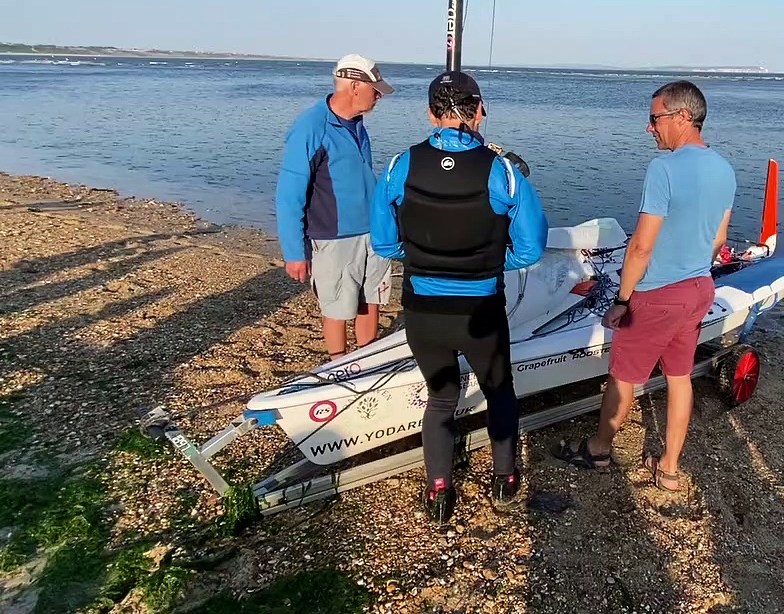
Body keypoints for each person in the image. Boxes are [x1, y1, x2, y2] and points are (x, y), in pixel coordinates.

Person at [370, 70, 548, 524]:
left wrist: (430, 261)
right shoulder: (503, 171)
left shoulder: (398, 166)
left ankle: (439, 491)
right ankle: (505, 482)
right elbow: (530, 249)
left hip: (424, 311)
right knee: (498, 390)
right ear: (480, 110)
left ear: (430, 113)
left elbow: (385, 244)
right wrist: (484, 263)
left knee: (442, 397)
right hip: (480, 310)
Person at [556, 80, 735, 492]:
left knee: (623, 378)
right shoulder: (724, 169)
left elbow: (640, 246)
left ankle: (599, 449)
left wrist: (622, 299)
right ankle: (669, 469)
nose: (649, 128)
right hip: (698, 289)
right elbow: (720, 239)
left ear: (682, 117)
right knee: (678, 376)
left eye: (655, 119)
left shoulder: (664, 169)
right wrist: (691, 265)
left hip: (658, 295)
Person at [275, 54, 395, 361]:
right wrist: (293, 253)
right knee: (338, 308)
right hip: (333, 236)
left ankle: (366, 359)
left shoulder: (357, 124)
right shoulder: (310, 127)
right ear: (355, 86)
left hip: (374, 234)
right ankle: (338, 365)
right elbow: (289, 195)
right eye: (375, 88)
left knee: (371, 303)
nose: (379, 95)